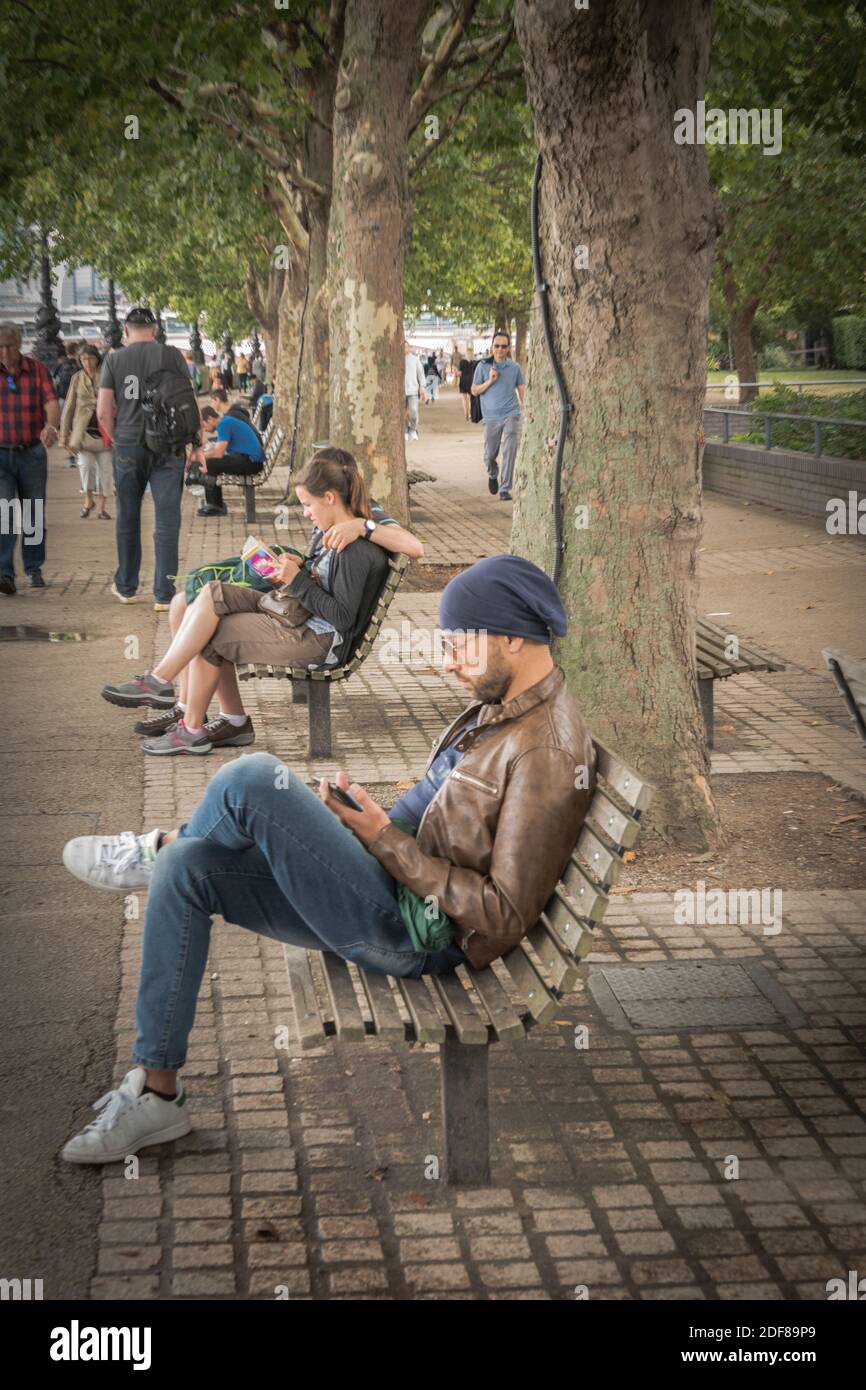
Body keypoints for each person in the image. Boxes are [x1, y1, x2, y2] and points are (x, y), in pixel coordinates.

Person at [59, 553, 595, 1162]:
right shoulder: (501, 704)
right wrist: (366, 817)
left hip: (417, 934)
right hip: (389, 888)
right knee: (191, 870)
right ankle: (157, 1095)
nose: (447, 661)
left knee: (255, 778)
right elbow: (437, 813)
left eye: (461, 645)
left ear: (515, 639)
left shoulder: (544, 754)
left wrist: (379, 838)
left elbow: (500, 914)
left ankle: (155, 848)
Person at [96, 448, 395, 756]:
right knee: (210, 593)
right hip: (299, 616)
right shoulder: (334, 531)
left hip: (318, 639)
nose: (306, 512)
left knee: (210, 634)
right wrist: (300, 567)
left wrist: (298, 579)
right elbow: (327, 583)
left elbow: (342, 617)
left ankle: (193, 724)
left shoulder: (353, 547)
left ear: (330, 497)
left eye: (308, 504)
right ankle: (167, 686)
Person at [97, 306, 193, 612]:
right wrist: (196, 444)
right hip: (169, 446)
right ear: (155, 330)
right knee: (167, 519)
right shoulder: (172, 356)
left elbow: (102, 411)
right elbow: (188, 400)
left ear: (126, 332)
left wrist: (114, 439)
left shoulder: (114, 359)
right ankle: (164, 594)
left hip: (128, 445)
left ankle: (126, 586)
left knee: (128, 516)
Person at [0, 322, 60, 594]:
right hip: (1, 455)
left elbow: (51, 402)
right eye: (0, 346)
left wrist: (51, 426)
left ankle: (34, 568)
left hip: (31, 453)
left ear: (20, 344)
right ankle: (5, 573)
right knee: (6, 514)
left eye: (9, 346)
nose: (4, 352)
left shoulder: (37, 369)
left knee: (33, 514)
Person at [189, 391, 265, 517]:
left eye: (204, 426)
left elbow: (218, 453)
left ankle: (215, 505)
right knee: (211, 462)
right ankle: (214, 503)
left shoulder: (224, 424)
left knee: (208, 464)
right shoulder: (226, 422)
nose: (205, 430)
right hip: (250, 460)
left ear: (210, 419)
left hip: (251, 462)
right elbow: (219, 450)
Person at [471, 331, 525, 502]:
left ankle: (505, 488)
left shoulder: (515, 368)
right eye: (497, 346)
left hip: (512, 414)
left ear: (508, 349)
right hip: (491, 418)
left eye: (503, 346)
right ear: (492, 347)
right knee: (489, 455)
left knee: (510, 450)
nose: (500, 349)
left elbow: (522, 390)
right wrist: (490, 381)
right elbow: (474, 390)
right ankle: (492, 474)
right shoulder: (482, 366)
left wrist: (528, 411)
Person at [59, 345, 112, 521]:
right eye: (83, 359)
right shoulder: (77, 378)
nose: (87, 363)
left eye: (90, 358)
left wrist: (105, 403)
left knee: (105, 471)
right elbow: (68, 407)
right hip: (83, 434)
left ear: (97, 359)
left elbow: (118, 402)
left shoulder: (107, 375)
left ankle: (102, 508)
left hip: (105, 434)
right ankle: (88, 500)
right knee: (86, 467)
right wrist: (64, 434)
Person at [52, 340, 81, 467]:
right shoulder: (79, 365)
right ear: (76, 351)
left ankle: (71, 457)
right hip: (78, 400)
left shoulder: (60, 366)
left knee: (66, 428)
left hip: (63, 400)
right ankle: (79, 454)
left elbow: (54, 382)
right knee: (78, 427)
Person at [404, 341, 427, 441]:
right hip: (400, 391)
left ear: (409, 348)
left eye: (406, 346)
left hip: (413, 390)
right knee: (402, 413)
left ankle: (413, 430)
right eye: (402, 346)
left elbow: (421, 374)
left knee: (413, 411)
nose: (404, 348)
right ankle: (405, 430)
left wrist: (422, 387)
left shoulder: (415, 360)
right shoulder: (397, 359)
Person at [458, 350, 479, 422]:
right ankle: (471, 414)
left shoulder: (462, 362)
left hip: (463, 381)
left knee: (464, 398)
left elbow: (460, 373)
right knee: (471, 398)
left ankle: (466, 413)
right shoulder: (475, 363)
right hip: (471, 381)